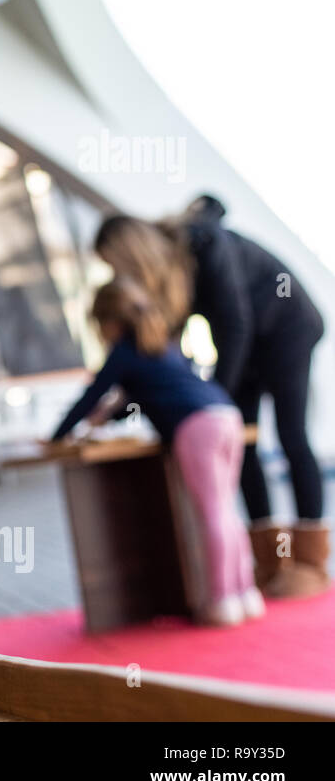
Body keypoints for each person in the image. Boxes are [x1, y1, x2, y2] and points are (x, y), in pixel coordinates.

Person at [95, 208, 328, 598]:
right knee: (244, 443)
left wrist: (213, 400)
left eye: (116, 265)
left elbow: (236, 322)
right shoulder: (168, 282)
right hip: (247, 348)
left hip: (287, 329)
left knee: (291, 434)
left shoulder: (203, 246)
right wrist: (124, 406)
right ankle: (270, 562)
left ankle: (309, 563)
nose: (121, 278)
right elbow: (167, 354)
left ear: (132, 253)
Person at [48, 278, 263, 627]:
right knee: (226, 510)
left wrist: (57, 436)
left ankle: (221, 600)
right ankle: (245, 593)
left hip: (196, 427)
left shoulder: (124, 352)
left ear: (110, 323)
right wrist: (110, 415)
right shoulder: (161, 345)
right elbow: (142, 394)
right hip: (225, 414)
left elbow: (93, 394)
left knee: (211, 513)